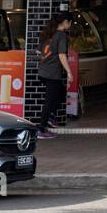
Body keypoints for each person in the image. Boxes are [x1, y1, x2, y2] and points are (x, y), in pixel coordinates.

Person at [37, 11, 73, 139]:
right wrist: (69, 72)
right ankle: (41, 129)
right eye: (70, 22)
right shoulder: (62, 35)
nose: (71, 25)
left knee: (61, 92)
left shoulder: (48, 33)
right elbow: (62, 55)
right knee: (49, 100)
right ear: (65, 22)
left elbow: (39, 51)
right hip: (52, 73)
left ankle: (51, 117)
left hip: (43, 71)